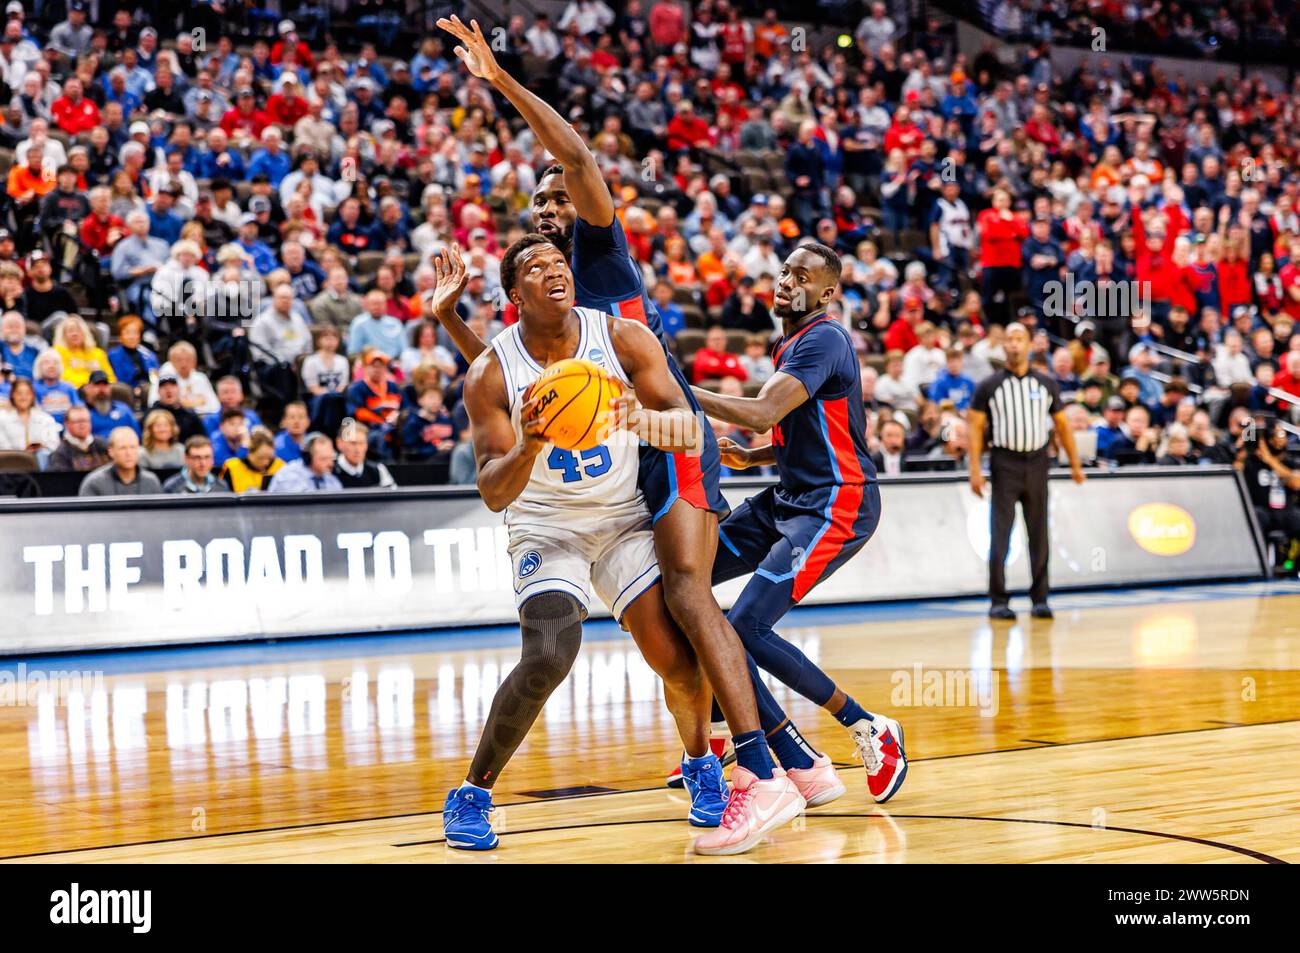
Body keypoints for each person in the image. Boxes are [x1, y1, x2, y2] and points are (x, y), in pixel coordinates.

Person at [436, 20, 785, 836]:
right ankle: (475, 789)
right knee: (552, 654)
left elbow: (681, 422)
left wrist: (499, 78)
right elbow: (492, 484)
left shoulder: (611, 309)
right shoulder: (493, 362)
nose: (555, 239)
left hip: (631, 505)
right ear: (515, 292)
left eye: (560, 211)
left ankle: (714, 761)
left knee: (678, 645)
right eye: (537, 245)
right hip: (551, 525)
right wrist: (528, 441)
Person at [692, 244, 909, 805]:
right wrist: (754, 457)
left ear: (827, 292)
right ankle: (728, 740)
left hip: (837, 503)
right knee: (685, 587)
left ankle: (868, 728)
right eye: (785, 270)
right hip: (791, 495)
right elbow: (811, 430)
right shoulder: (790, 342)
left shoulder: (825, 338)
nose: (786, 281)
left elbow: (766, 412)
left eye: (802, 276)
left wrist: (675, 391)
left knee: (744, 626)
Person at [968, 323, 1087, 620]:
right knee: (1001, 534)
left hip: (1037, 462)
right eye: (1009, 339)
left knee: (1039, 533)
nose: (1014, 344)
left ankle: (1040, 598)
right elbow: (974, 428)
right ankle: (998, 600)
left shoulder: (1046, 384)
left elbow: (1062, 426)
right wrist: (974, 469)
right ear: (1004, 346)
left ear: (1030, 345)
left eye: (1020, 339)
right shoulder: (989, 385)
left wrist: (1075, 463)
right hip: (1004, 462)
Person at [78, 426, 163, 496]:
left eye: (133, 447)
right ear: (111, 451)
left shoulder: (151, 482)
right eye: (122, 448)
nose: (128, 453)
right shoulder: (94, 483)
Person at [0, 377, 59, 456]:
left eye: (28, 393)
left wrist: (42, 447)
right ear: (12, 395)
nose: (24, 398)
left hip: (40, 459)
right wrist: (23, 452)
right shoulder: (2, 418)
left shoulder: (45, 418)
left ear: (33, 395)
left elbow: (54, 444)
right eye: (19, 393)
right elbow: (3, 447)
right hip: (11, 461)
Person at [267, 432, 343, 492]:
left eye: (331, 458)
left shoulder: (331, 480)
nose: (330, 464)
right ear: (308, 457)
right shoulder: (287, 476)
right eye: (323, 459)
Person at [220, 426, 286, 493]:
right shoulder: (232, 467)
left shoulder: (280, 466)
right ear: (249, 452)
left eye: (270, 458)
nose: (266, 463)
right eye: (260, 458)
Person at [334, 419, 396, 487]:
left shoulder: (378, 470)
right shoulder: (329, 471)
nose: (358, 449)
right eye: (353, 443)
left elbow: (393, 495)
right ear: (339, 443)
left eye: (362, 443)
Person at [46, 405, 109, 472]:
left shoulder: (102, 444)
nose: (82, 425)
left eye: (85, 421)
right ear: (67, 424)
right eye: (78, 421)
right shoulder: (60, 452)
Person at [163, 435, 231, 494]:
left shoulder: (222, 486)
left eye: (207, 457)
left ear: (212, 459)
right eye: (197, 458)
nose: (203, 463)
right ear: (186, 459)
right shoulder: (172, 487)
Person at [84, 370, 139, 438]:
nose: (102, 389)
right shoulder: (83, 413)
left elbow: (137, 435)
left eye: (105, 385)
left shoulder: (123, 409)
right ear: (88, 388)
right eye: (97, 385)